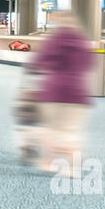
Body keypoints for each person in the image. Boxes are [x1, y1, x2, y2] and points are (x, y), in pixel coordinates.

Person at [24, 10, 94, 173]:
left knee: (51, 129)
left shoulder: (53, 40)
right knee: (71, 130)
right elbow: (89, 64)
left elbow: (36, 62)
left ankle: (48, 161)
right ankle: (72, 166)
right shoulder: (83, 42)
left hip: (53, 92)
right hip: (78, 94)